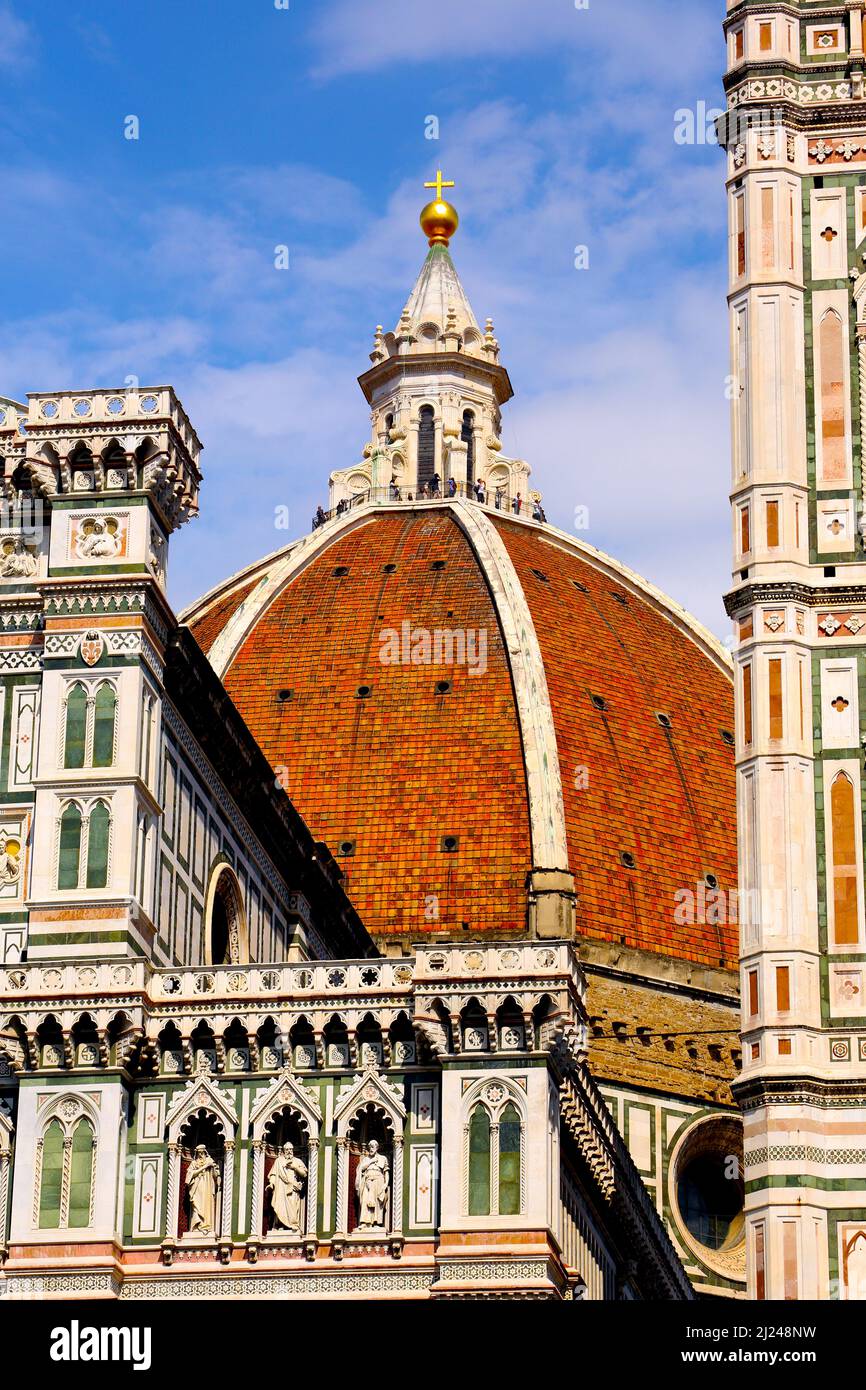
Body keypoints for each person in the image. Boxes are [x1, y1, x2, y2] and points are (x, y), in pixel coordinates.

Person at [267, 1142, 308, 1233]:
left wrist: (295, 1168)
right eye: (287, 1150)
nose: (289, 1151)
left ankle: (293, 1224)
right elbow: (273, 1174)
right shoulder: (279, 1161)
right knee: (279, 1206)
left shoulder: (297, 1161)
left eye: (290, 1149)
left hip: (292, 1188)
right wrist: (272, 1183)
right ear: (283, 1151)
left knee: (293, 1207)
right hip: (280, 1188)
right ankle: (278, 1225)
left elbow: (304, 1174)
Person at [186, 1145, 219, 1235]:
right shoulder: (193, 1163)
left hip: (207, 1186)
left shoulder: (210, 1161)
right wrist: (204, 1167)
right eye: (198, 1153)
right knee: (196, 1205)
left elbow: (216, 1176)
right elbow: (190, 1175)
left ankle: (206, 1226)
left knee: (206, 1204)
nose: (200, 1155)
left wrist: (213, 1167)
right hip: (197, 1186)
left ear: (205, 1152)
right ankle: (197, 1226)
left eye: (202, 1152)